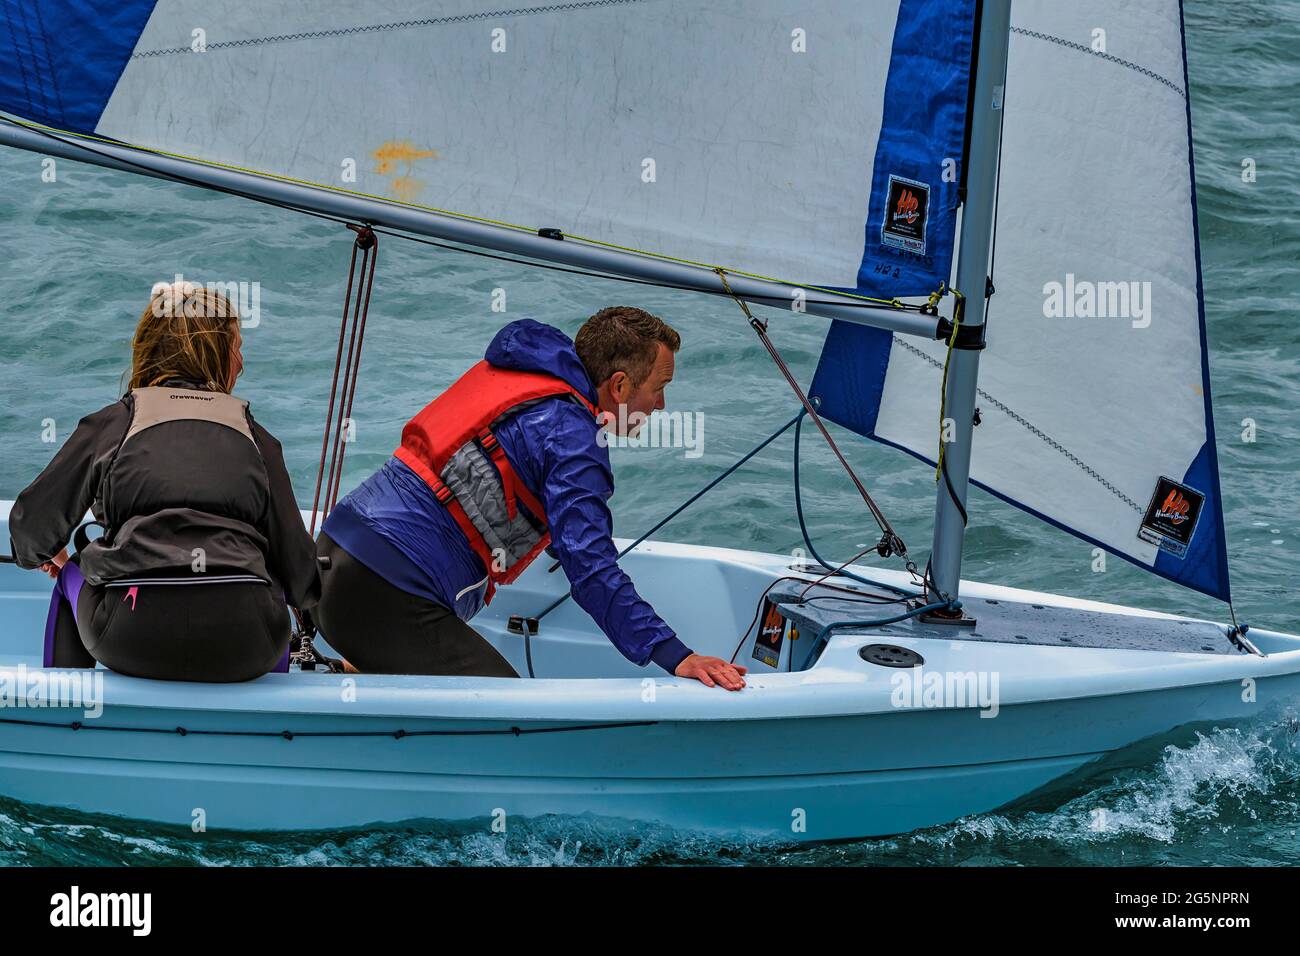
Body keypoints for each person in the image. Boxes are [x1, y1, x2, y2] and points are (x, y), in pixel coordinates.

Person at [314, 307, 747, 690]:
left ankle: (361, 673)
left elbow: (497, 473)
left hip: (331, 560)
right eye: (658, 387)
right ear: (619, 385)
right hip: (385, 590)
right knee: (508, 717)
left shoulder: (530, 377)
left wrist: (563, 536)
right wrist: (676, 656)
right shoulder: (575, 438)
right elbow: (590, 567)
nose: (661, 404)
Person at [8, 281, 320, 682]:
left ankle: (69, 722)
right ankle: (265, 728)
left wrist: (57, 556)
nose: (241, 363)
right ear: (211, 355)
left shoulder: (114, 424)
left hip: (130, 636)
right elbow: (302, 581)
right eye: (235, 347)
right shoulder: (258, 440)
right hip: (247, 643)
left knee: (76, 571)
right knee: (270, 581)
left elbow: (28, 534)